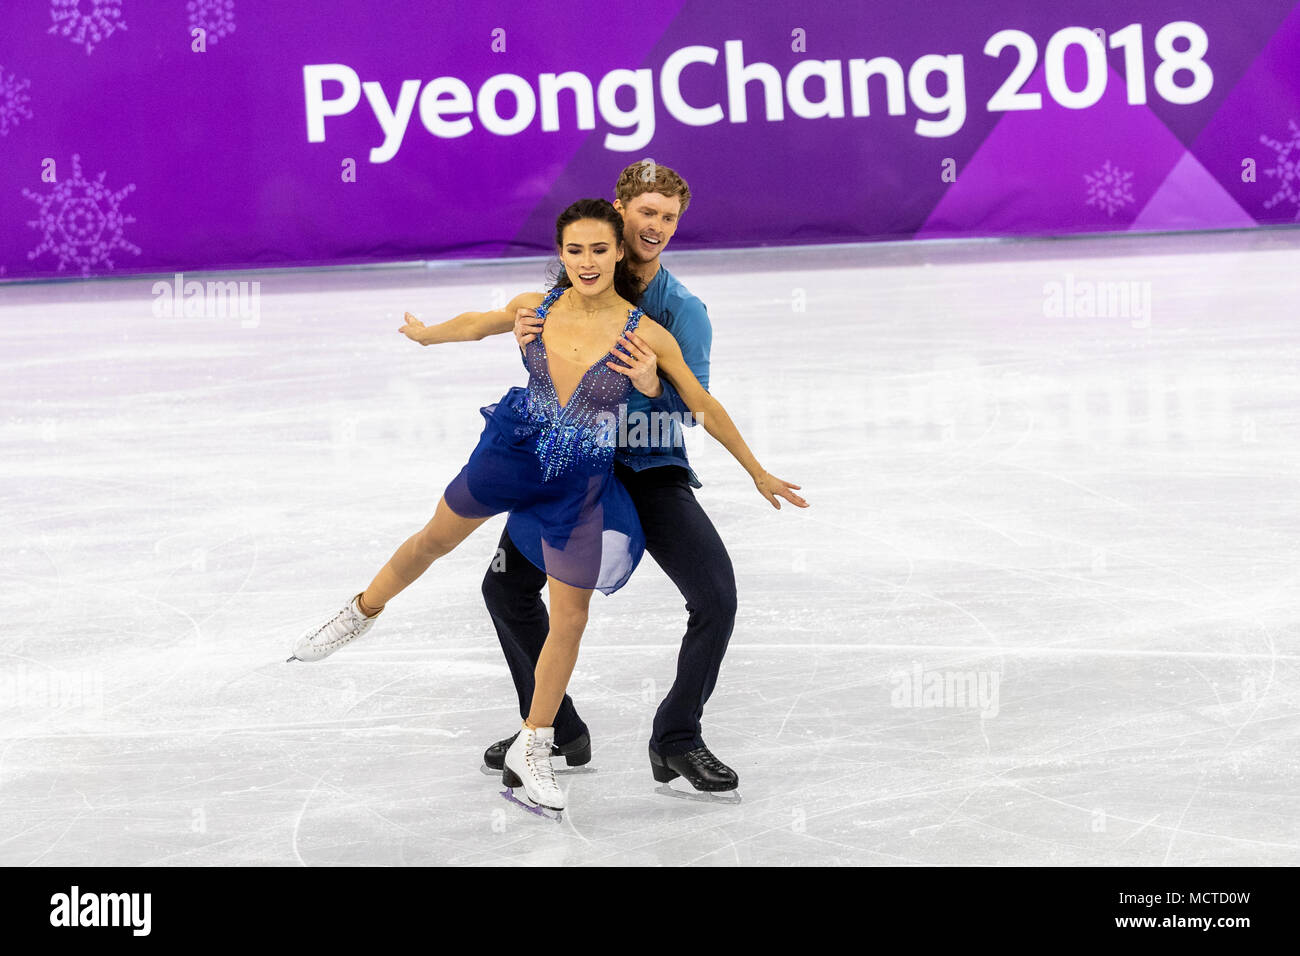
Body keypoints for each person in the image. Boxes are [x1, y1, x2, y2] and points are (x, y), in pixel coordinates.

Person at [289, 198, 806, 813]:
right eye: (574, 250)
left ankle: (537, 742)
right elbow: (479, 322)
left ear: (619, 252)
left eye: (598, 249)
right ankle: (360, 611)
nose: (587, 261)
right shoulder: (538, 308)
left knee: (572, 617)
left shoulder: (651, 333)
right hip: (514, 448)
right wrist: (427, 334)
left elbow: (704, 406)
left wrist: (756, 470)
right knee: (437, 540)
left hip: (578, 480)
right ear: (561, 254)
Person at [481, 162, 747, 792]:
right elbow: (546, 360)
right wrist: (525, 340)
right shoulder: (576, 278)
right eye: (646, 214)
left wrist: (655, 387)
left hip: (646, 468)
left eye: (669, 219)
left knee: (715, 597)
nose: (656, 227)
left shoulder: (682, 310)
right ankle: (549, 730)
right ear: (618, 215)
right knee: (504, 590)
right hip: (570, 466)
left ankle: (678, 736)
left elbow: (694, 408)